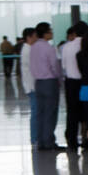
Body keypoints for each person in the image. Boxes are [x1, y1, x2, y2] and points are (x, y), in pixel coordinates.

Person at [28, 21, 65, 150]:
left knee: (40, 113)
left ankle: (41, 142)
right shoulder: (49, 48)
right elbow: (54, 66)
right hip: (49, 82)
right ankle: (49, 142)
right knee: (50, 113)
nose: (52, 33)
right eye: (50, 30)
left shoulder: (33, 47)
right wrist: (59, 79)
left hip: (38, 83)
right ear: (45, 33)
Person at [60, 23, 85, 149]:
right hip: (85, 82)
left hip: (71, 83)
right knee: (86, 111)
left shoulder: (66, 47)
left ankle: (72, 139)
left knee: (72, 112)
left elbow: (63, 66)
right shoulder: (86, 46)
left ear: (74, 33)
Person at [20, 28, 37, 142]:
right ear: (29, 37)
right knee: (35, 112)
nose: (36, 38)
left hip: (31, 84)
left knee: (35, 112)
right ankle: (34, 138)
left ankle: (35, 137)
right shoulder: (28, 50)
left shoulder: (28, 49)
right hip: (32, 85)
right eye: (35, 36)